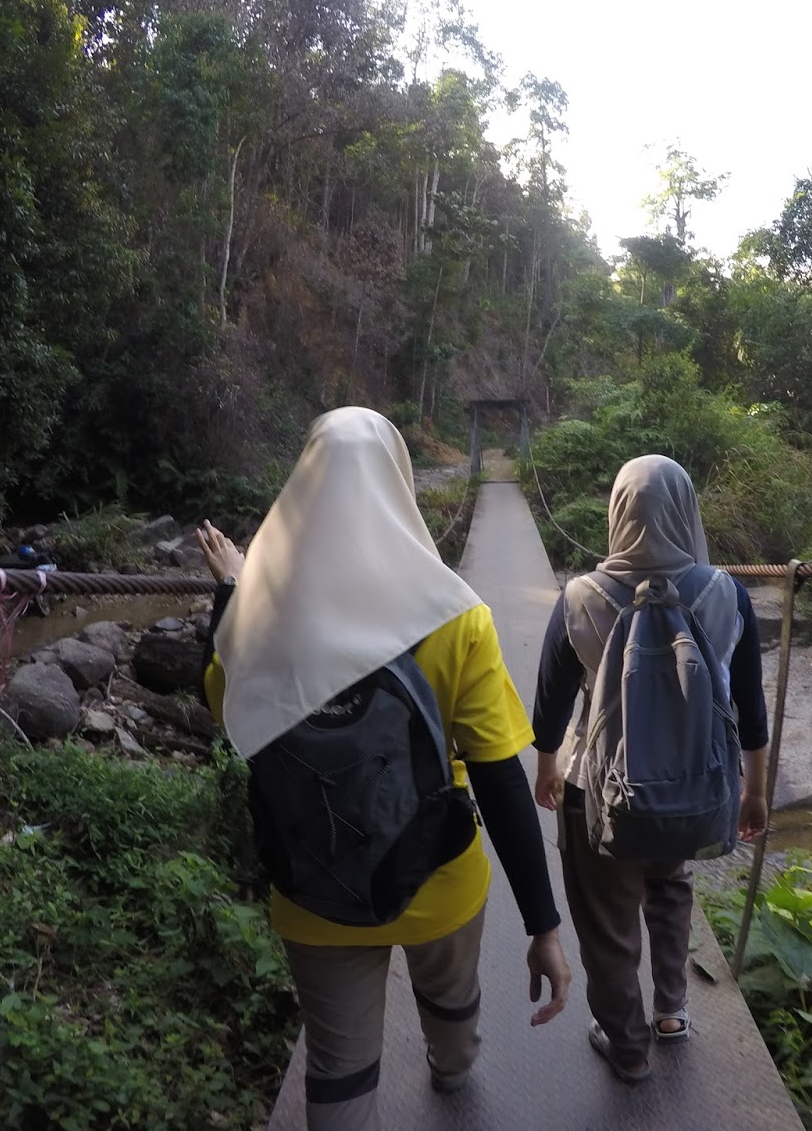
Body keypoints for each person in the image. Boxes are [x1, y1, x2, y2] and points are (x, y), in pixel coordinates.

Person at [196, 407, 570, 1131]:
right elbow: (498, 779)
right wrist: (543, 926)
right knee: (452, 1007)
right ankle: (451, 1068)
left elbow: (224, 712)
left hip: (312, 883)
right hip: (438, 875)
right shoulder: (456, 617)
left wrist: (233, 592)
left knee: (339, 1069)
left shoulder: (259, 614)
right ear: (399, 482)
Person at [532, 455, 770, 1084]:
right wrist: (754, 790)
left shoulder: (579, 597)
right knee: (669, 883)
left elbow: (551, 702)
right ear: (686, 510)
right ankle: (671, 1011)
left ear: (618, 512)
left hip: (598, 788)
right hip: (692, 785)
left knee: (606, 922)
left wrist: (547, 766)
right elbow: (749, 705)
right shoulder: (726, 594)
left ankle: (628, 1047)